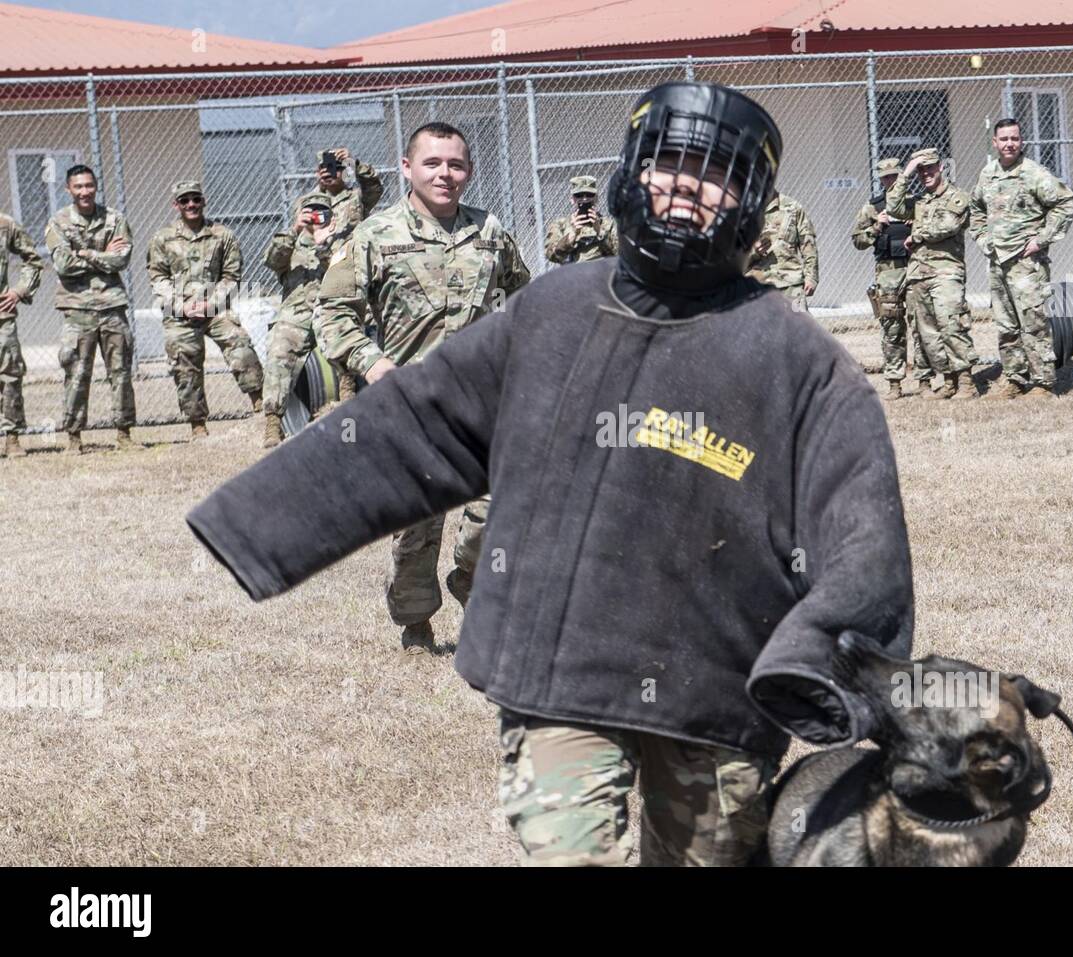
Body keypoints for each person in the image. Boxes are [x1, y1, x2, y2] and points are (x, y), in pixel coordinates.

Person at [187, 82, 914, 867]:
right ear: (634, 174)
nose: (682, 184)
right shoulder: (554, 311)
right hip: (561, 665)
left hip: (719, 683)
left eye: (712, 173)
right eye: (667, 161)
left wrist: (819, 667)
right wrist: (257, 523)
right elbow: (421, 419)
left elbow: (863, 537)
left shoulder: (798, 360)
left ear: (747, 203)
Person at [314, 121, 530, 652]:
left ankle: (471, 583)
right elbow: (333, 310)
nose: (445, 174)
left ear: (469, 171)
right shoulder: (375, 235)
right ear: (407, 168)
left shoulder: (491, 231)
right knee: (417, 531)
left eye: (455, 164)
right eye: (432, 163)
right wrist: (373, 363)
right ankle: (415, 620)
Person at [146, 180, 263, 439]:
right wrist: (182, 306)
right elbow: (158, 278)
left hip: (215, 309)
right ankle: (197, 424)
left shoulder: (223, 235)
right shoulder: (162, 238)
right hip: (180, 312)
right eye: (185, 200)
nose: (191, 205)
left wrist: (211, 304)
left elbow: (232, 277)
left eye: (196, 199)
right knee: (184, 360)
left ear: (204, 201)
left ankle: (260, 406)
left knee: (240, 344)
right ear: (175, 205)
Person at [970, 118, 1073, 399]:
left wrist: (1041, 239)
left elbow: (1065, 203)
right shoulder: (988, 174)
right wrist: (983, 240)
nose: (1009, 144)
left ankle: (1043, 383)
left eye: (1014, 139)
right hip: (998, 261)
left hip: (1026, 263)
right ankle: (1014, 379)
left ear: (1021, 141)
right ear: (994, 142)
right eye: (1004, 139)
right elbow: (976, 209)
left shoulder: (1033, 174)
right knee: (1006, 324)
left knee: (1033, 322)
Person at [46, 165, 137, 452]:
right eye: (78, 187)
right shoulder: (58, 222)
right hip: (78, 309)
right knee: (77, 372)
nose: (84, 191)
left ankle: (124, 434)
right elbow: (63, 264)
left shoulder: (114, 219)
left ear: (96, 186)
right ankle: (74, 437)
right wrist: (101, 255)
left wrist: (84, 252)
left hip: (112, 306)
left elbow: (121, 259)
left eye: (89, 185)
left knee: (120, 371)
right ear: (68, 189)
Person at [260, 191, 357, 448]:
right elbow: (271, 260)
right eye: (310, 211)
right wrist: (295, 229)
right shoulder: (289, 244)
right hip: (296, 313)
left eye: (321, 211)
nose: (316, 216)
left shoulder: (342, 242)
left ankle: (349, 404)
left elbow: (346, 271)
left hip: (331, 308)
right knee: (279, 349)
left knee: (347, 341)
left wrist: (325, 243)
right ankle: (272, 421)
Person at [887, 148, 977, 400]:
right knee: (928, 331)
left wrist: (916, 235)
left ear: (941, 167)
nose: (926, 174)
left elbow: (947, 226)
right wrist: (905, 173)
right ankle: (948, 381)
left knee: (951, 324)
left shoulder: (957, 197)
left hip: (945, 272)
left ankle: (967, 382)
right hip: (918, 274)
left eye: (930, 168)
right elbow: (893, 206)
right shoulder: (918, 202)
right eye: (921, 170)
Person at [851, 157, 930, 399]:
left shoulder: (915, 204)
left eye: (894, 176)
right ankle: (895, 383)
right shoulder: (872, 207)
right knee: (892, 328)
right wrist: (877, 226)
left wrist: (915, 224)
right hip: (887, 272)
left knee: (920, 324)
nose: (890, 180)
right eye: (885, 177)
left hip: (915, 268)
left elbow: (933, 232)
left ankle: (924, 380)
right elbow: (857, 241)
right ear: (880, 179)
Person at [0, 211, 43, 458]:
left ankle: (12, 438)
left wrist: (20, 290)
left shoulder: (5, 225)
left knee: (9, 376)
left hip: (2, 318)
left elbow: (33, 258)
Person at [745, 191, 817, 310]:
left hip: (790, 286)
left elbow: (808, 244)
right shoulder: (744, 211)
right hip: (754, 286)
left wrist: (811, 277)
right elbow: (731, 254)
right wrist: (754, 251)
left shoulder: (792, 207)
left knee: (797, 326)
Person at [298, 147, 384, 231]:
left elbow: (374, 185)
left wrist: (352, 163)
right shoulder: (307, 202)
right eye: (323, 168)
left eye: (335, 168)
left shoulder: (357, 197)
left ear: (345, 172)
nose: (328, 172)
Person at [544, 175, 618, 264]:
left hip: (601, 274)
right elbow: (552, 256)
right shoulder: (560, 225)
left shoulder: (608, 224)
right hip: (573, 274)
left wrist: (600, 232)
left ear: (596, 198)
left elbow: (619, 254)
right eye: (579, 195)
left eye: (589, 195)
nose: (585, 199)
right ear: (572, 199)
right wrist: (571, 236)